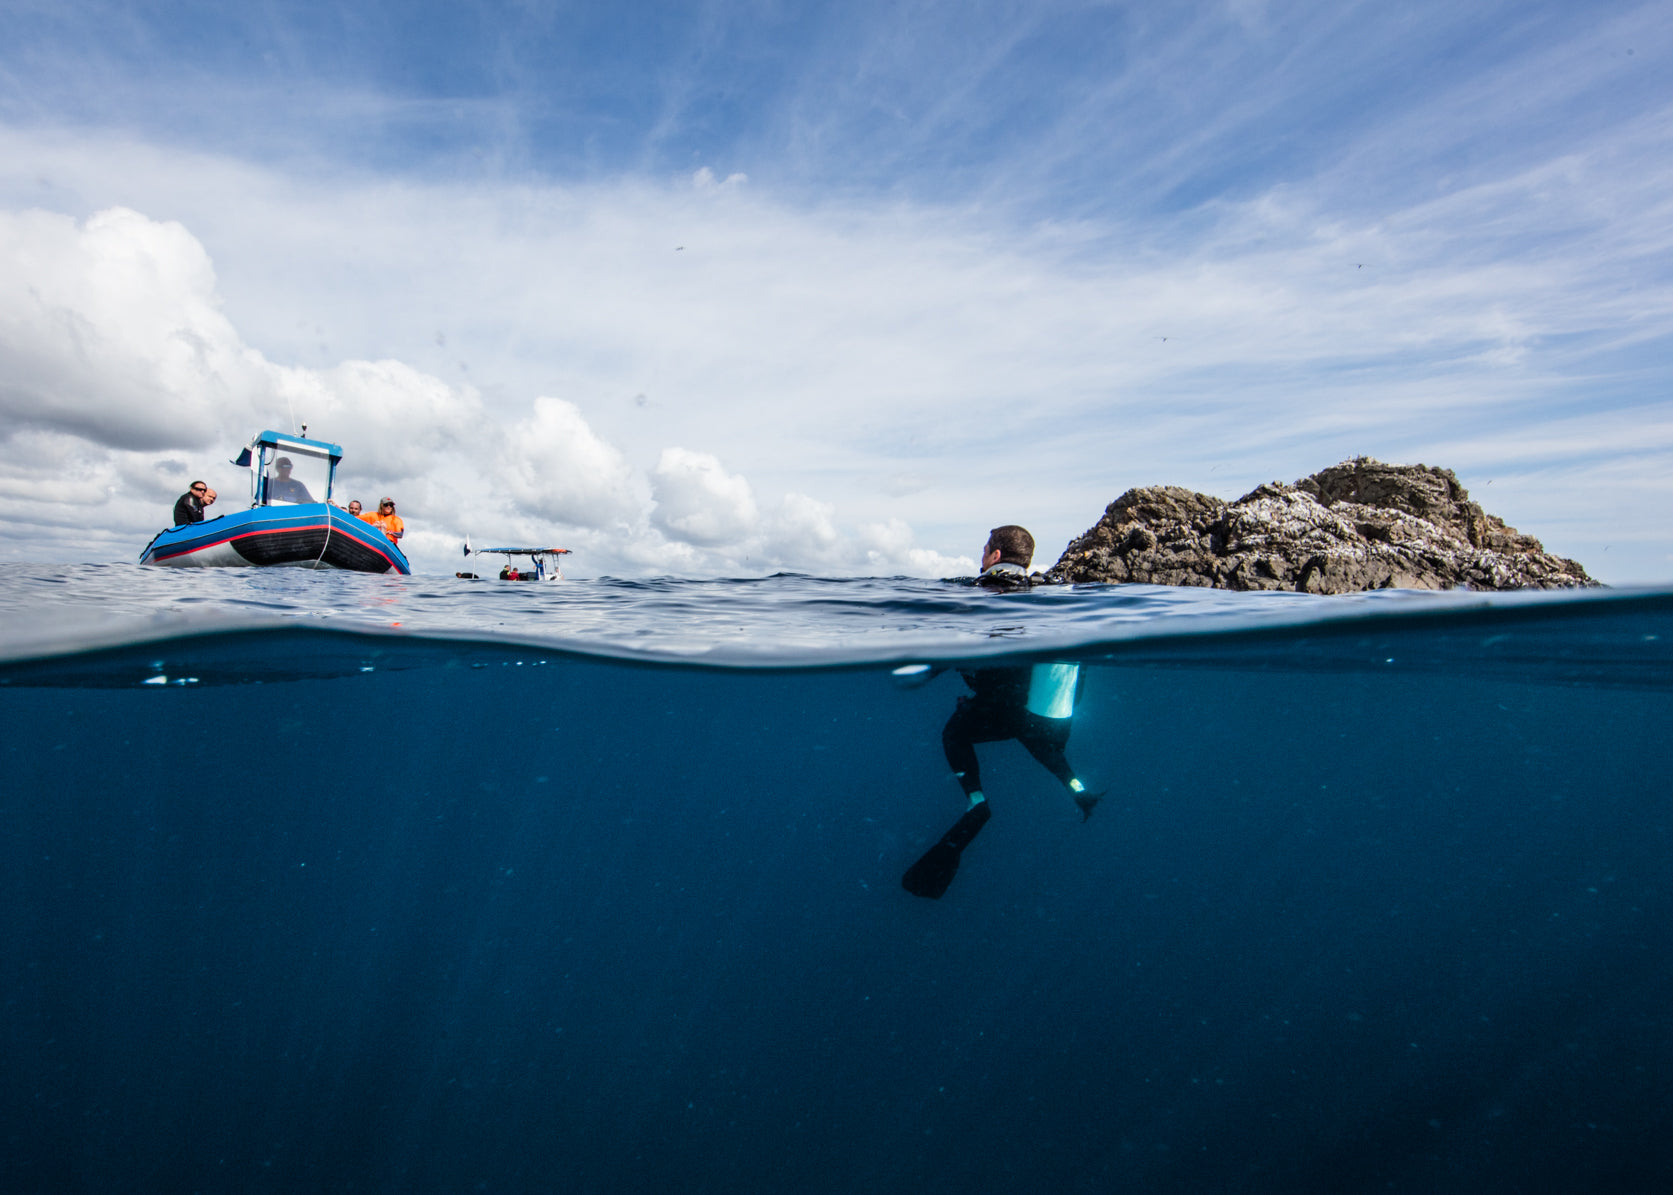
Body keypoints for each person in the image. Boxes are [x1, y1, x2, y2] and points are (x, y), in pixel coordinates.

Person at [900, 525, 1096, 900]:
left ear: (995, 555)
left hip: (1002, 710)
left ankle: (977, 805)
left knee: (954, 733)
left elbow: (955, 649)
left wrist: (924, 670)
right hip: (1040, 714)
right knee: (1044, 746)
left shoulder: (980, 592)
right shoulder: (1049, 593)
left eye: (984, 549)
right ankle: (1079, 790)